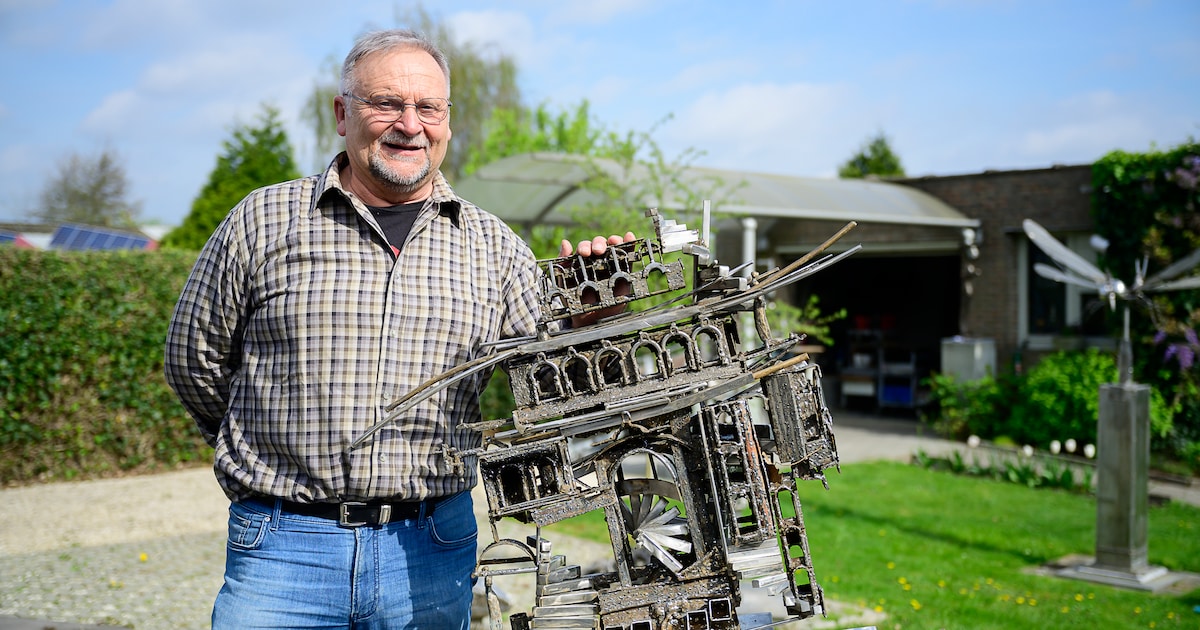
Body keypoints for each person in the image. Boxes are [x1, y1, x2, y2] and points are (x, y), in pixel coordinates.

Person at [164, 29, 632, 629]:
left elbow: (557, 380)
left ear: (446, 124)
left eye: (428, 108)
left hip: (432, 546)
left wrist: (596, 314)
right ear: (342, 113)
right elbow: (192, 361)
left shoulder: (494, 248)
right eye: (386, 104)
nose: (408, 124)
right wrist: (266, 454)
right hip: (286, 545)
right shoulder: (263, 219)